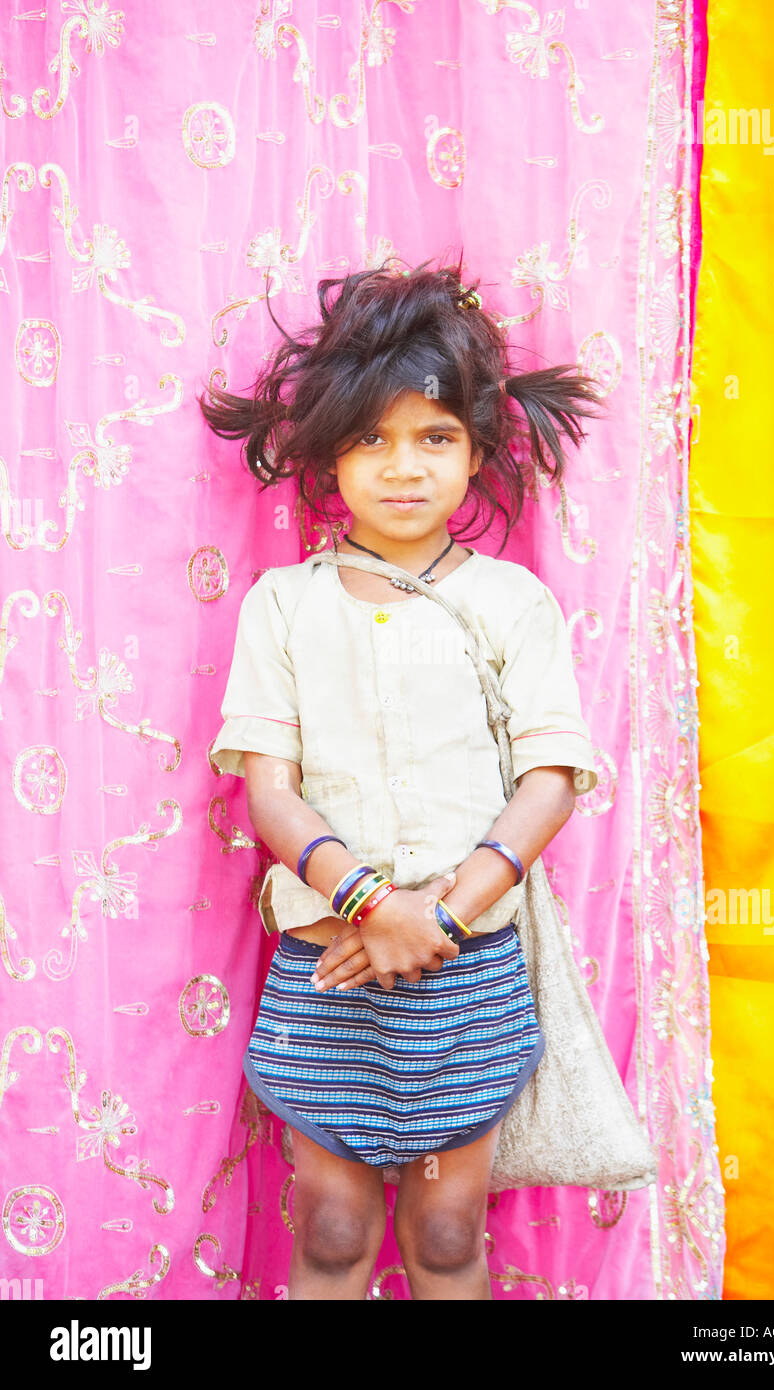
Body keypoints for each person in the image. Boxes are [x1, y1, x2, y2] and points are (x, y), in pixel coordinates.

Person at [201, 257, 604, 1301]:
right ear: (326, 457)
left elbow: (551, 778)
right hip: (329, 951)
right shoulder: (281, 606)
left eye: (433, 437)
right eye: (370, 439)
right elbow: (270, 791)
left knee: (445, 1223)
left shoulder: (512, 605)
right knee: (332, 1228)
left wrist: (438, 917)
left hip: (460, 958)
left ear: (477, 449)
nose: (402, 466)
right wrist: (371, 904)